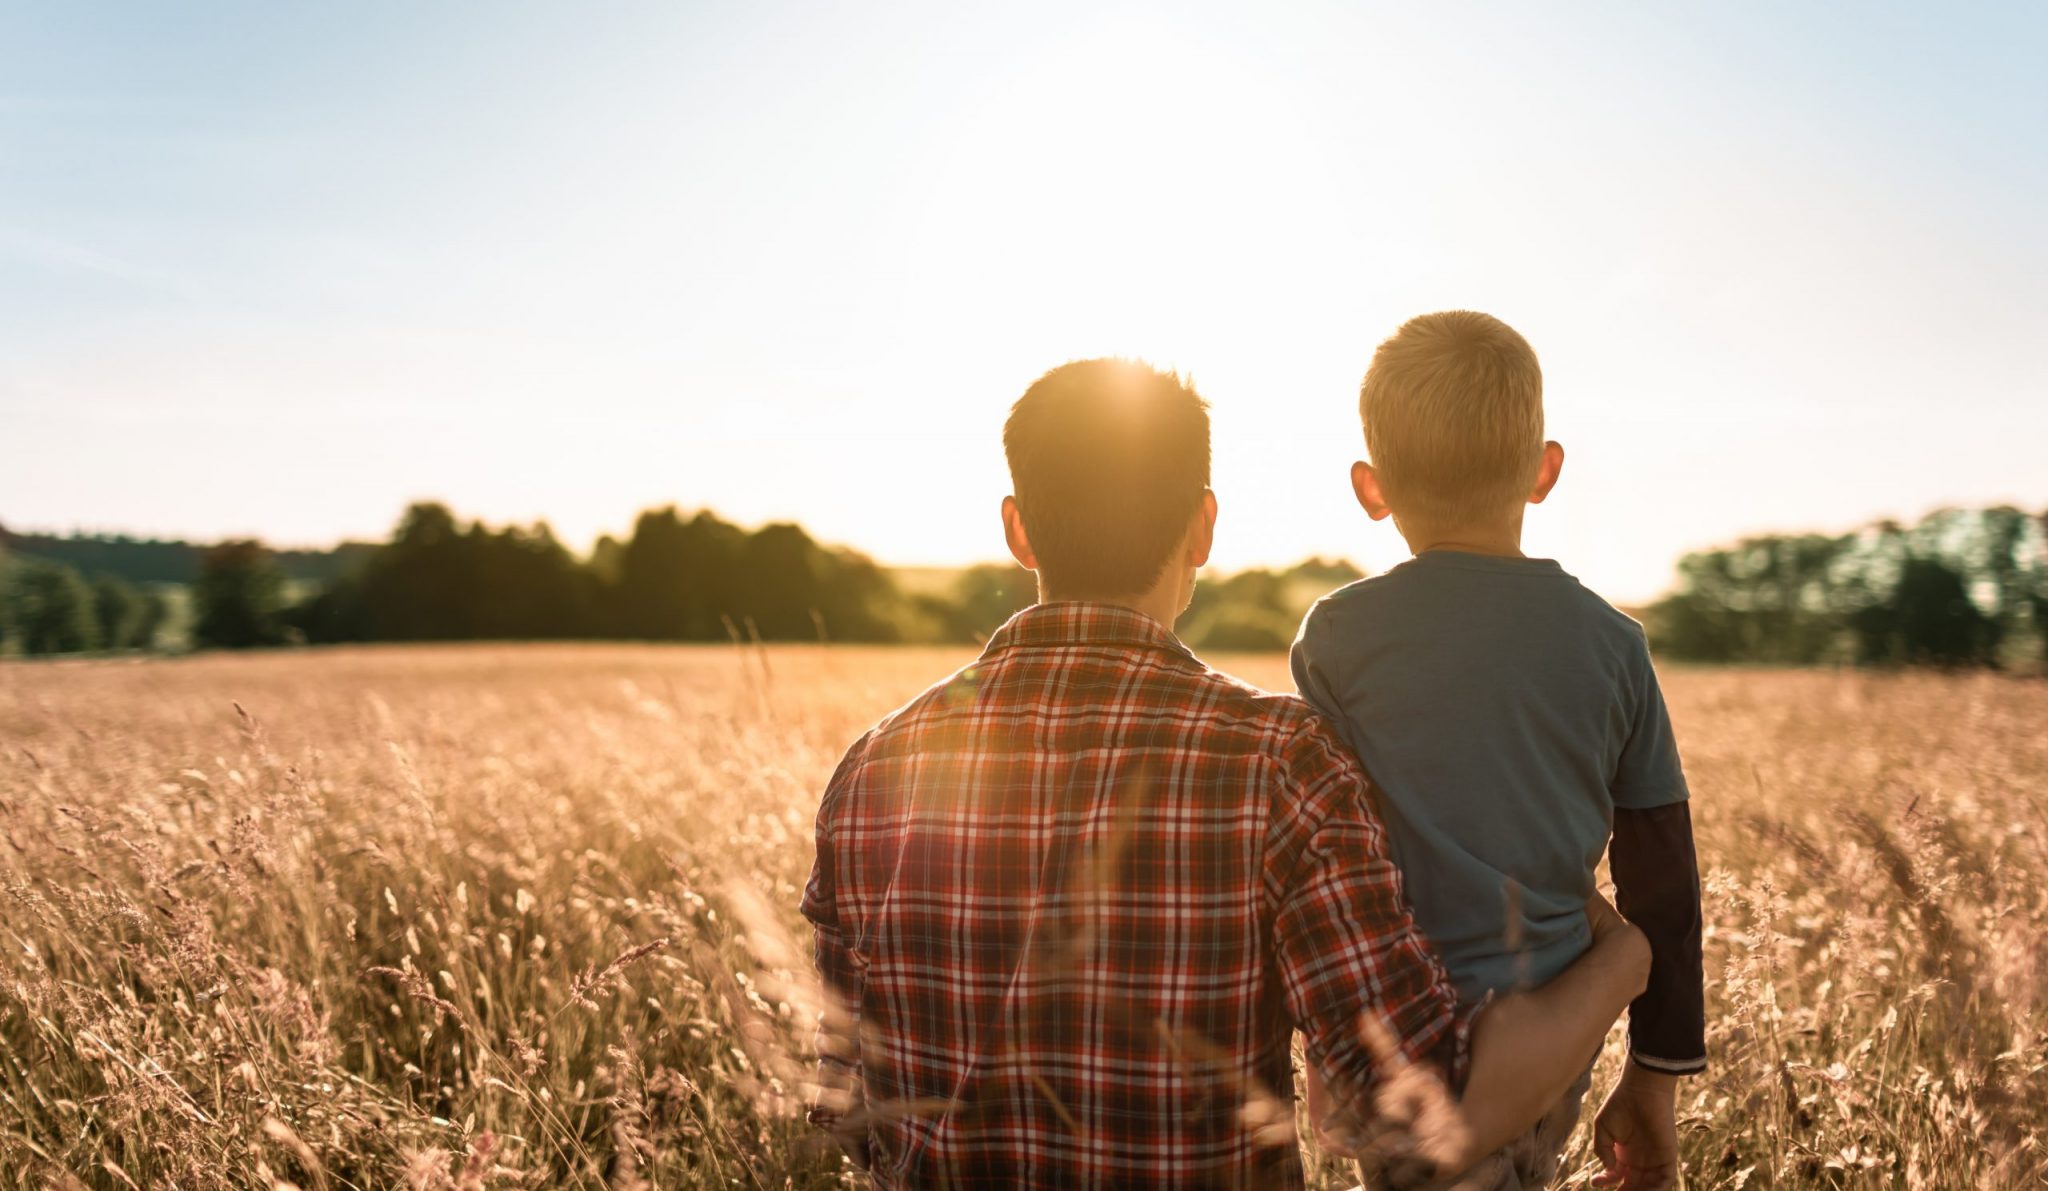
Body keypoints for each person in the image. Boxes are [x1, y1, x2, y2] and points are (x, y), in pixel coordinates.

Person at [803, 358, 1651, 1189]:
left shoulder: (872, 771)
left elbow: (841, 1105)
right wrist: (1624, 960)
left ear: (1017, 527)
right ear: (1204, 527)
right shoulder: (1280, 765)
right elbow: (1428, 1120)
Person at [1293, 312, 1707, 1191]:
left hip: (1389, 1035)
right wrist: (1656, 1075)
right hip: (1559, 1028)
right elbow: (1662, 873)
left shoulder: (1336, 638)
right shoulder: (1613, 645)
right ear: (1544, 470)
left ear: (1372, 488)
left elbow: (1308, 850)